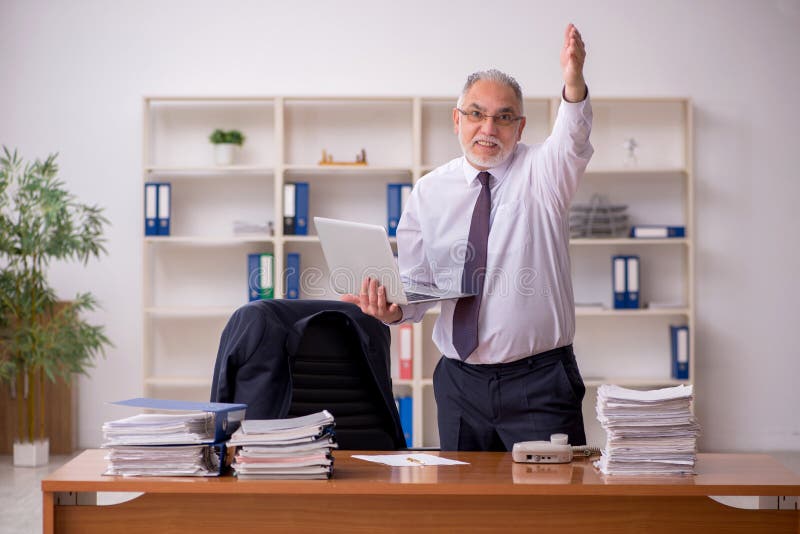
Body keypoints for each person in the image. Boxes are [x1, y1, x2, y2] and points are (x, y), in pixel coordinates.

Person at [342, 23, 593, 451]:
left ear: (520, 127)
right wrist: (392, 310)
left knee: (551, 494)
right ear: (457, 120)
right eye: (476, 114)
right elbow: (418, 283)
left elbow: (573, 137)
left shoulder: (545, 173)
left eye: (504, 117)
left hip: (539, 382)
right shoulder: (429, 191)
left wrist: (573, 82)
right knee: (463, 494)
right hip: (459, 383)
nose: (488, 128)